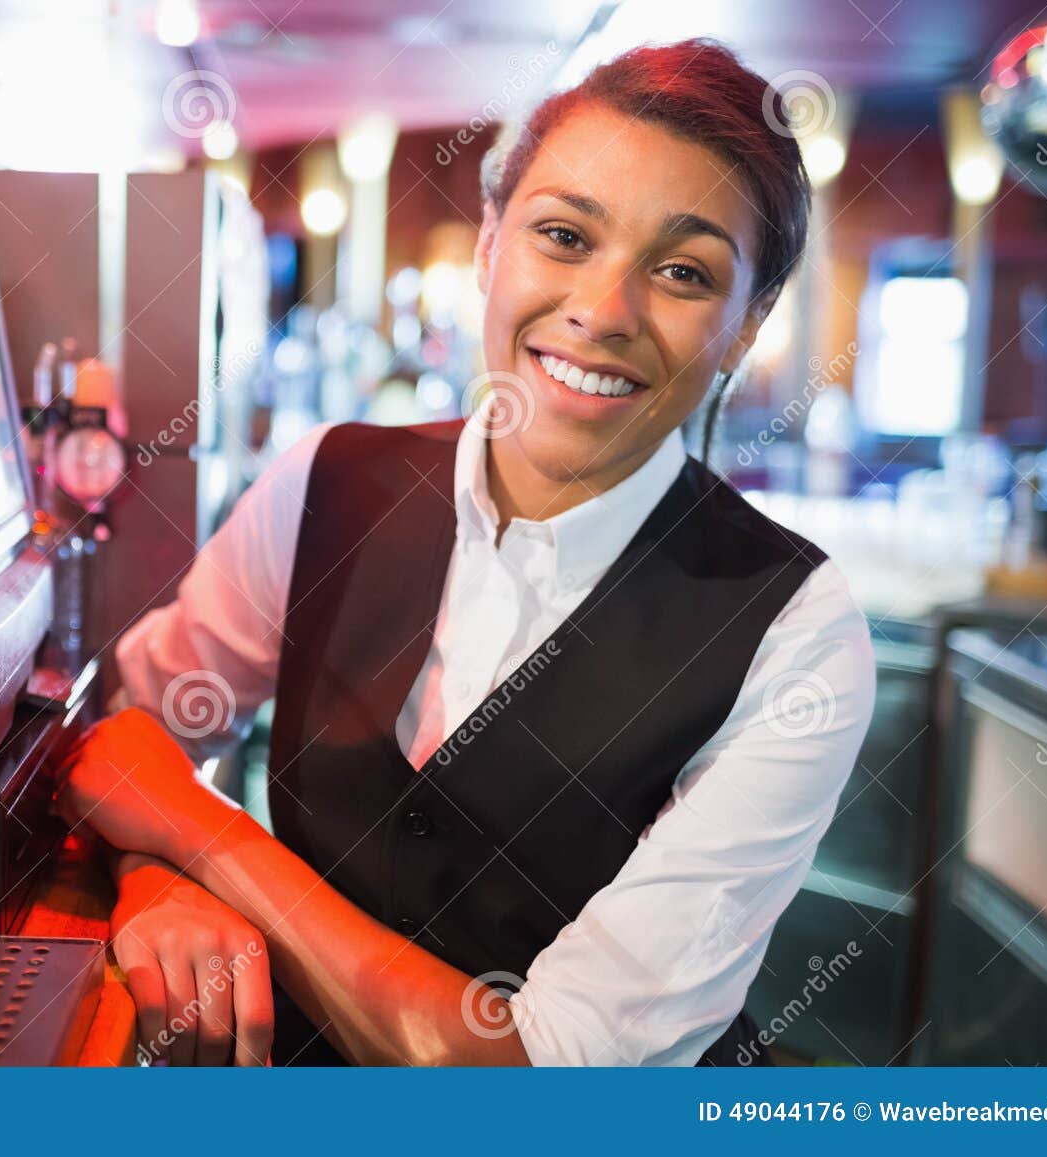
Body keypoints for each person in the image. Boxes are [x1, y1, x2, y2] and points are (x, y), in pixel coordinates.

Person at [56, 38, 877, 1067]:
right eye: (564, 234)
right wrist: (157, 876)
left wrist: (207, 839)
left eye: (681, 270)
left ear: (748, 324)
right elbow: (125, 745)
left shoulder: (794, 631)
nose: (601, 311)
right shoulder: (327, 481)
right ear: (490, 244)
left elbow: (551, 1072)